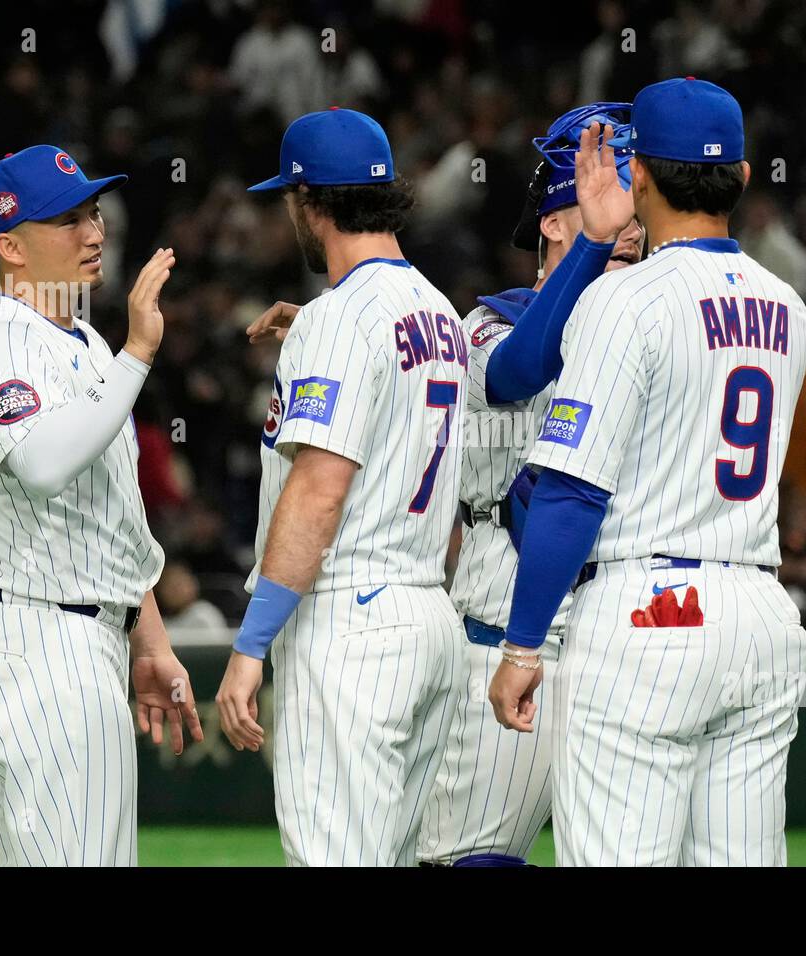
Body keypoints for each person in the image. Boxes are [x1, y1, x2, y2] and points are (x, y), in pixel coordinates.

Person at [489, 78, 806, 866]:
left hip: (648, 610)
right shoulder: (789, 307)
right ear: (741, 177)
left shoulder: (626, 301)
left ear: (637, 178)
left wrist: (523, 645)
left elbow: (571, 492)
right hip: (762, 611)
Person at [216, 109, 467, 866]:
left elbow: (320, 490)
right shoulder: (439, 311)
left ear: (309, 202)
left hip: (351, 619)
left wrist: (251, 643)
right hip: (428, 612)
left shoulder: (340, 319)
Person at [0, 145, 203, 867]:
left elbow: (115, 516)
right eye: (66, 220)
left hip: (86, 638)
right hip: (35, 639)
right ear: (10, 245)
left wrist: (147, 639)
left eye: (92, 212)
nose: (94, 232)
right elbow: (44, 461)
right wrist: (140, 353)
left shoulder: (84, 339)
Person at [415, 104, 641, 866]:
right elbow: (516, 373)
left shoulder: (658, 320)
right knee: (470, 855)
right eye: (601, 193)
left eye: (633, 194)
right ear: (551, 223)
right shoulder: (488, 320)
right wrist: (598, 251)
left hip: (624, 640)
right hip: (503, 636)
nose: (627, 215)